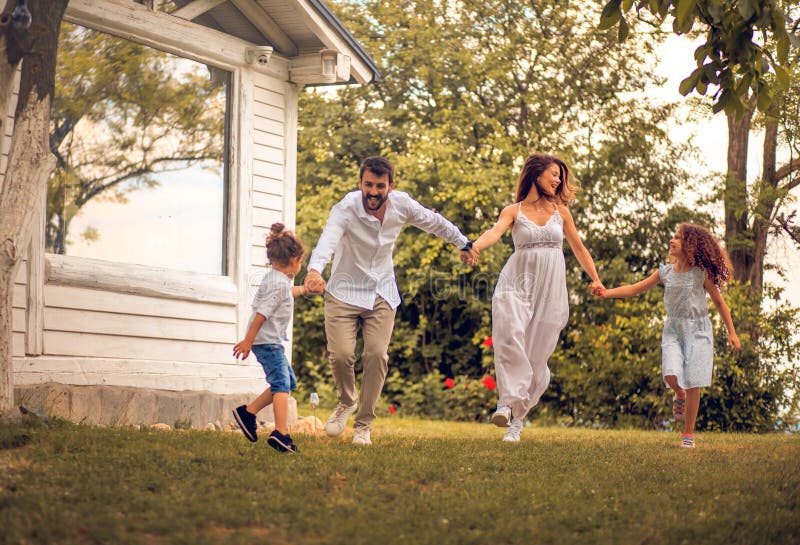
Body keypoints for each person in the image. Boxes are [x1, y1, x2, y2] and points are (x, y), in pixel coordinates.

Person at [304, 156, 477, 446]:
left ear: (391, 186)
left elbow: (434, 222)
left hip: (382, 292)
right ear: (360, 183)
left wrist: (464, 243)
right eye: (368, 185)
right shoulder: (346, 208)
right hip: (343, 292)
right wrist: (313, 270)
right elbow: (328, 240)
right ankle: (346, 401)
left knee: (375, 354)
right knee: (342, 356)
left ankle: (363, 425)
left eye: (380, 186)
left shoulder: (402, 204)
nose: (373, 192)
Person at [468, 152, 604, 442]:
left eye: (560, 176)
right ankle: (506, 402)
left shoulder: (561, 213)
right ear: (536, 173)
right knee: (509, 335)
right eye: (553, 174)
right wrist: (475, 246)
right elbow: (495, 232)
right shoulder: (513, 211)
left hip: (550, 291)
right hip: (516, 283)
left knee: (537, 355)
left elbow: (579, 248)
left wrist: (595, 278)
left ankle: (517, 421)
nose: (558, 180)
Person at [598, 223, 740, 448]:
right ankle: (678, 393)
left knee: (695, 381)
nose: (672, 241)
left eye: (679, 238)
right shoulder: (664, 272)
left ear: (690, 245)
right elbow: (635, 288)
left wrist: (732, 333)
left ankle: (688, 434)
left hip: (699, 330)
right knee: (671, 375)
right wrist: (607, 293)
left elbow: (720, 303)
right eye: (673, 237)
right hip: (674, 329)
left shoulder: (700, 274)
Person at [232, 223, 308, 454]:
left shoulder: (277, 280)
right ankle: (281, 433)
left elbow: (286, 292)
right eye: (302, 260)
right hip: (266, 343)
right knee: (281, 385)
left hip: (268, 341)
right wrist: (247, 341)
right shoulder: (277, 284)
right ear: (295, 259)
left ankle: (248, 412)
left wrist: (304, 289)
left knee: (288, 383)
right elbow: (261, 314)